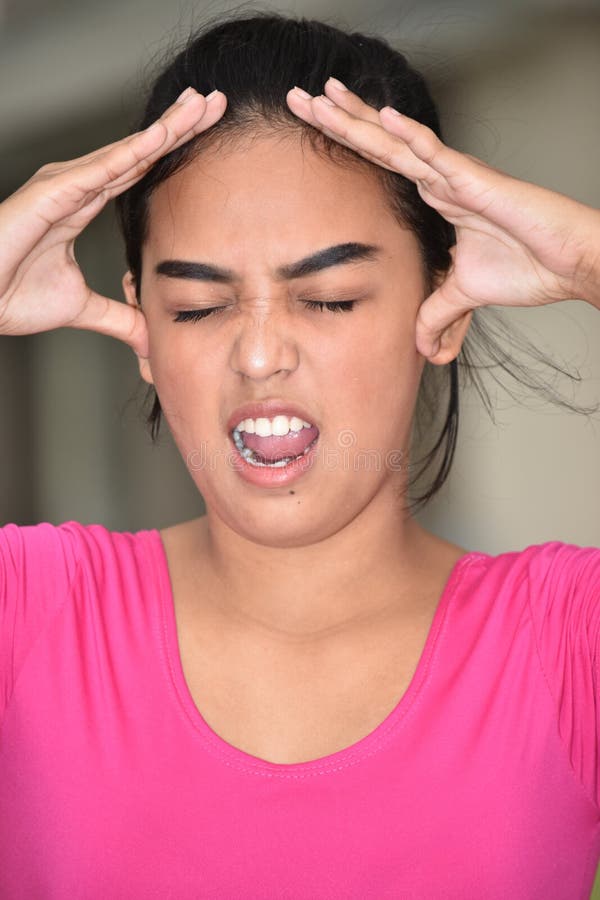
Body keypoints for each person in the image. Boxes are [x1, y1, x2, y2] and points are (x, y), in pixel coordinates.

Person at [1, 12, 599, 899]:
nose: (258, 355)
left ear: (448, 305)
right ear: (142, 329)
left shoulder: (567, 646)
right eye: (199, 307)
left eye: (326, 298)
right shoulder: (31, 617)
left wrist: (589, 254)